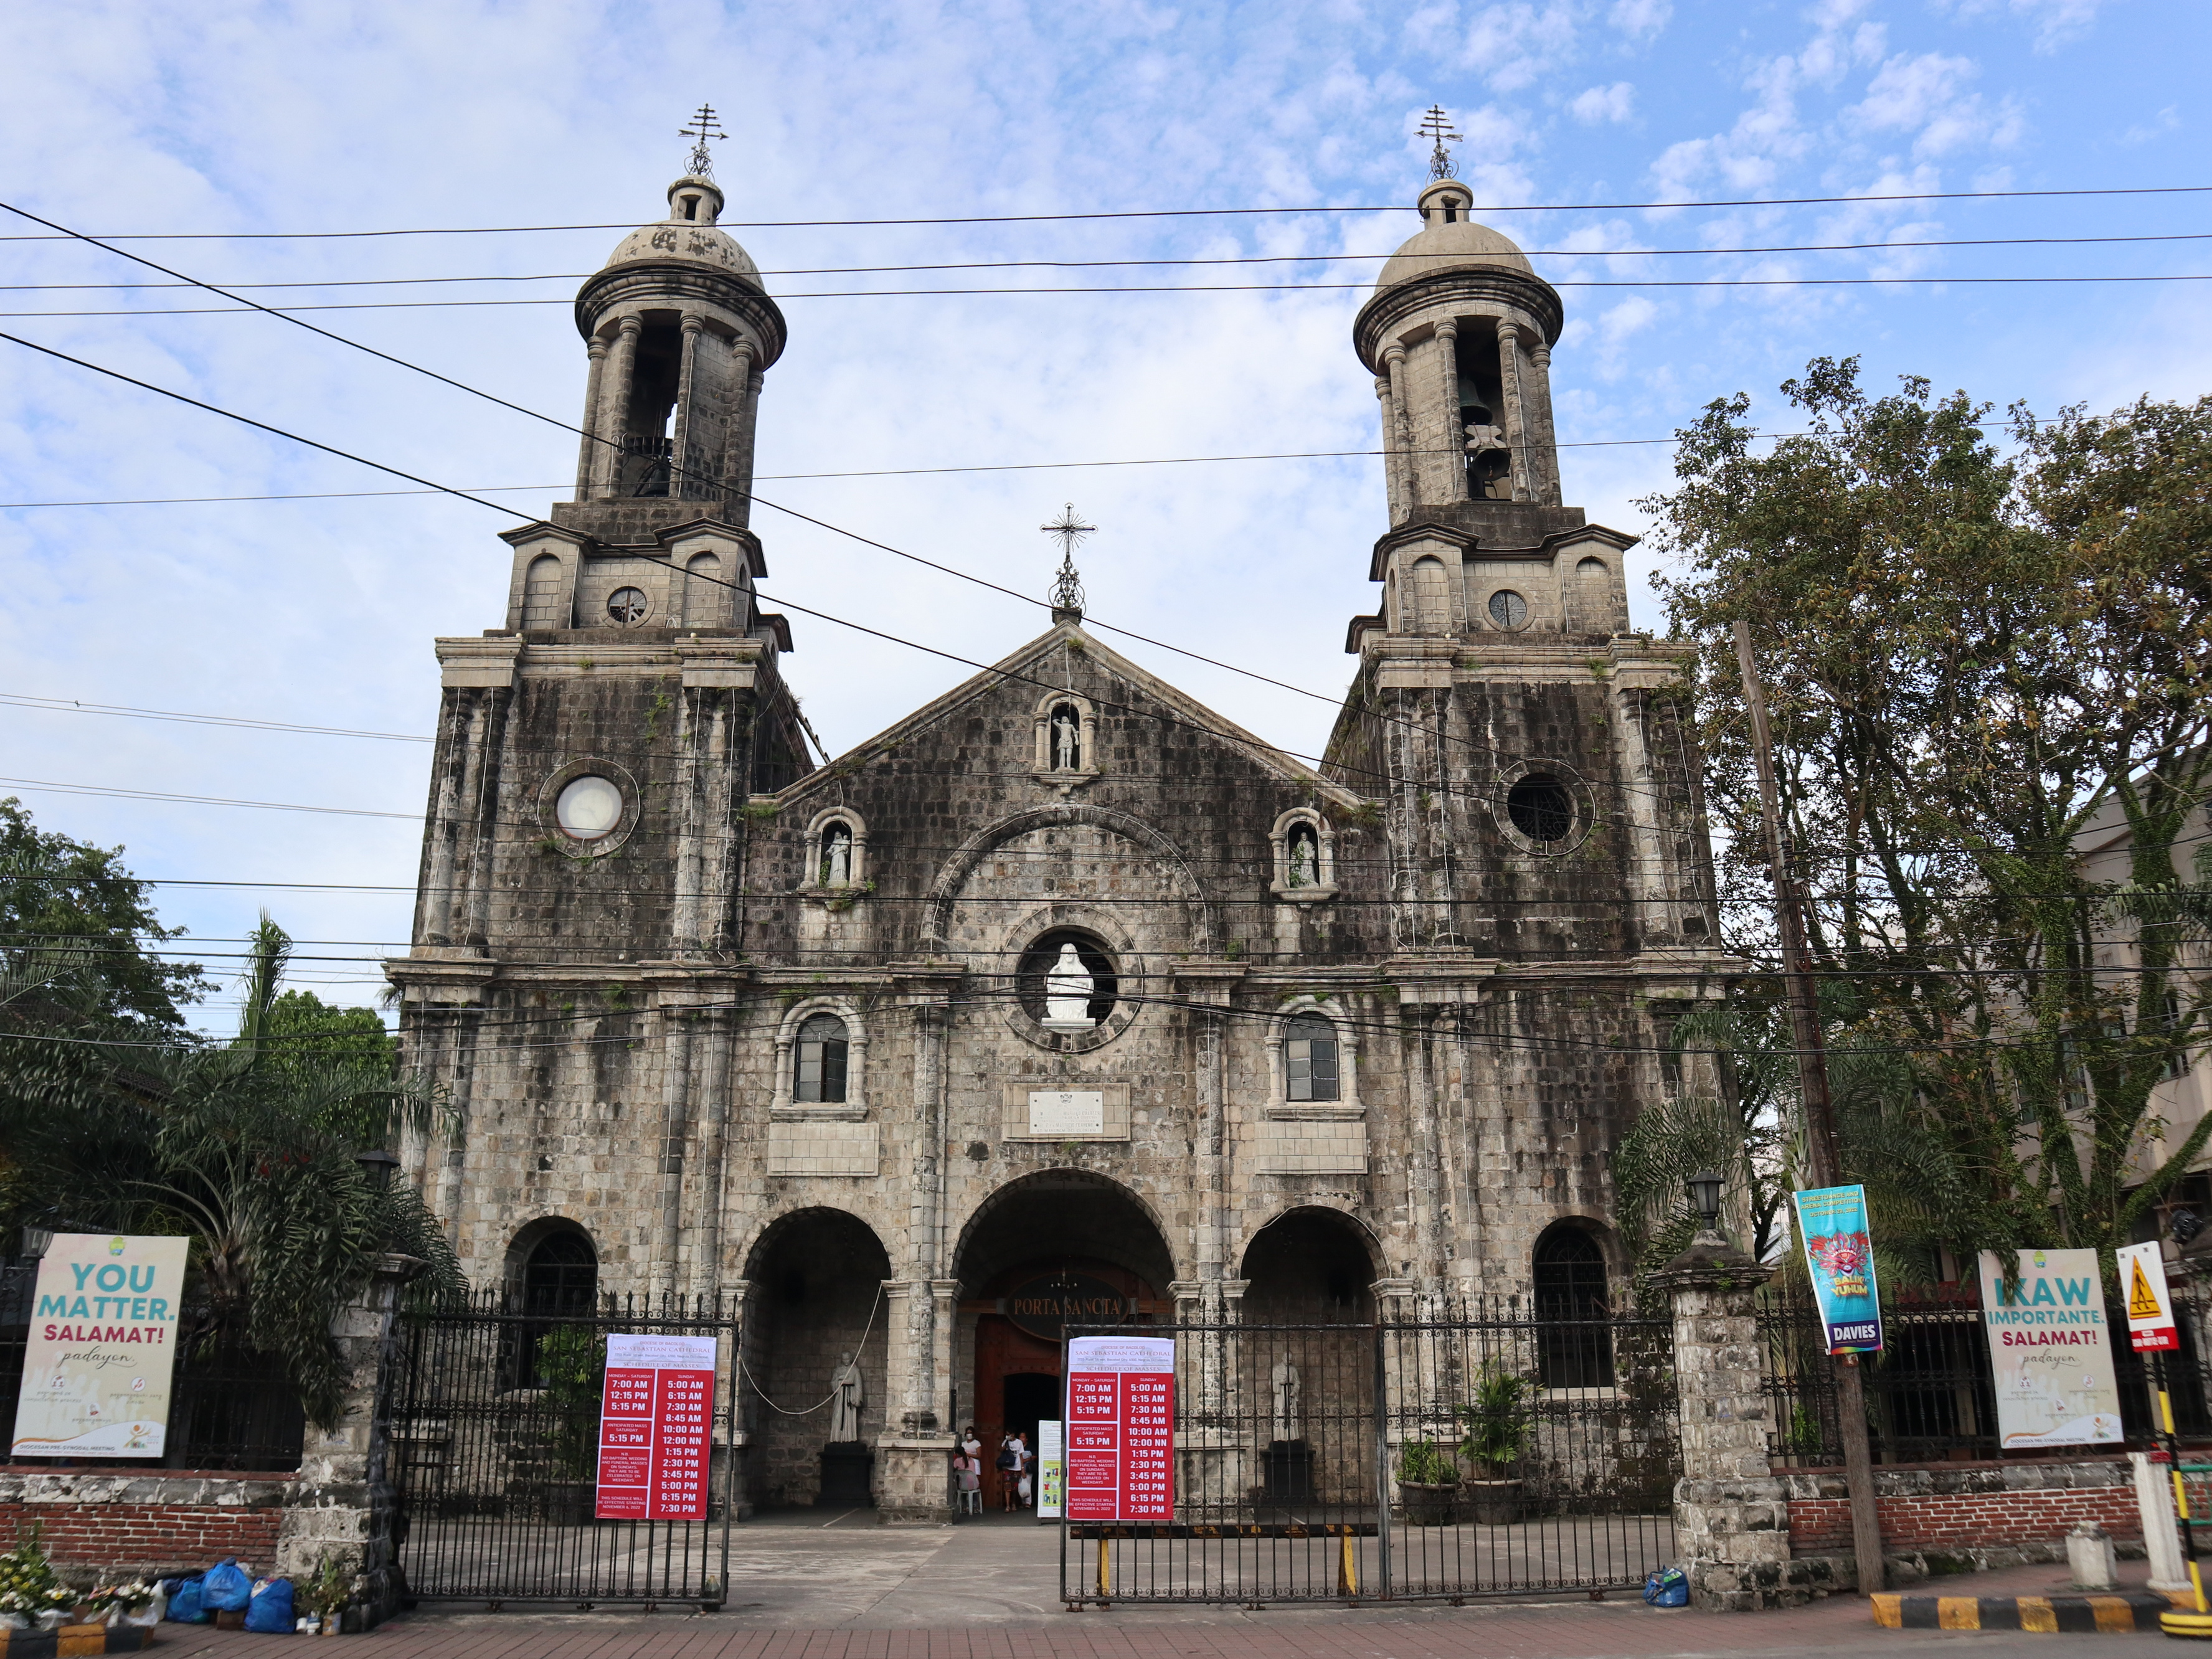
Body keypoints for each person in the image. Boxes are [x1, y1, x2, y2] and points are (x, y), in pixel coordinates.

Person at [996, 1432, 1023, 1511]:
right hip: (1007, 1467)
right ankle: (1008, 1506)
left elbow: (1021, 1456)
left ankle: (1013, 1504)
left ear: (1013, 1434)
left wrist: (1022, 1469)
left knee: (1015, 1487)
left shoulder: (1019, 1442)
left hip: (1017, 1467)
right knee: (1007, 1486)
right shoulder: (1006, 1442)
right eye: (1007, 1434)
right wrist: (1005, 1443)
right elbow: (1001, 1450)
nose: (1007, 1436)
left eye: (1009, 1434)